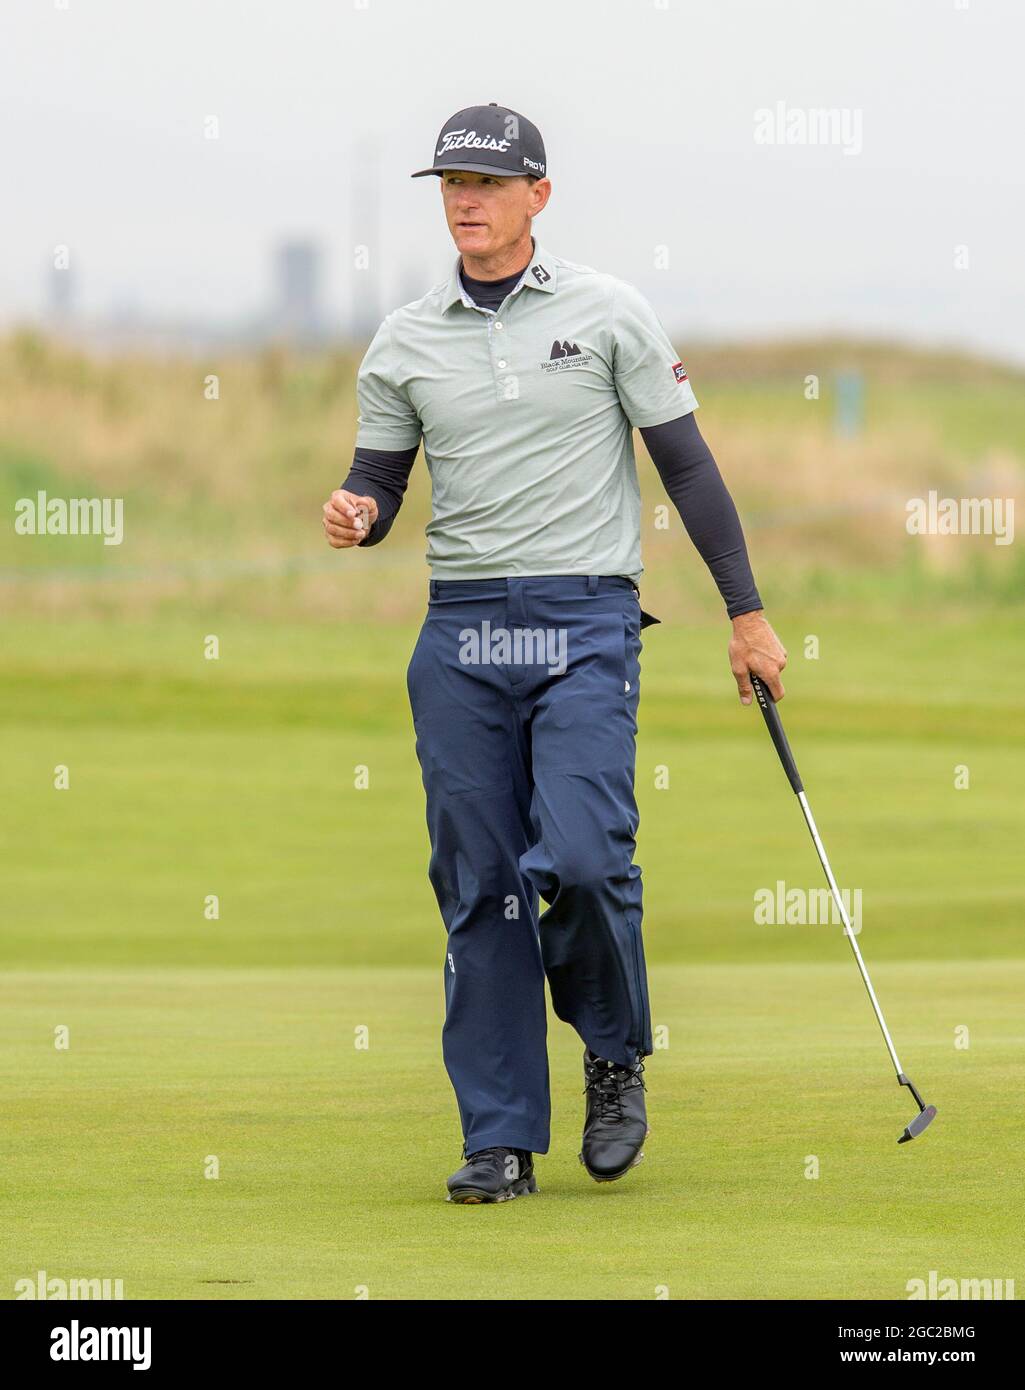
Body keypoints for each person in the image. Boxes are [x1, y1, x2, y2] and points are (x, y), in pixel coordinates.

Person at [323, 103, 787, 1203]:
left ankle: (613, 1052)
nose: (464, 201)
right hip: (462, 629)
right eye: (449, 184)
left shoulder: (608, 312)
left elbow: (686, 466)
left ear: (537, 193)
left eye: (485, 183)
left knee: (579, 859)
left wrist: (746, 612)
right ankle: (497, 1136)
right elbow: (381, 483)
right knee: (479, 885)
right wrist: (356, 511)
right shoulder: (404, 338)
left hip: (584, 622)